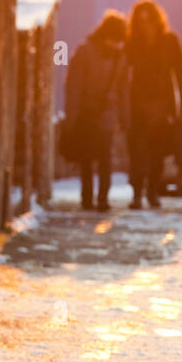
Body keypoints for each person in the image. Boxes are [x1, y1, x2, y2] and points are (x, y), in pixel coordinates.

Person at [125, 0, 182, 210]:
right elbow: (123, 72)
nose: (146, 26)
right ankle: (136, 193)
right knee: (137, 150)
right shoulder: (132, 42)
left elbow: (180, 72)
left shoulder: (170, 41)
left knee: (157, 151)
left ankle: (152, 191)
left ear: (157, 20)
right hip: (137, 103)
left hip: (163, 104)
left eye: (149, 20)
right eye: (141, 21)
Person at [64, 11, 129, 212]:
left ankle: (99, 199)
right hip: (87, 115)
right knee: (89, 158)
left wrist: (125, 119)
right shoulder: (86, 52)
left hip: (104, 115)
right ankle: (90, 199)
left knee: (102, 158)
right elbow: (74, 87)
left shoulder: (118, 57)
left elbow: (122, 89)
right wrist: (72, 118)